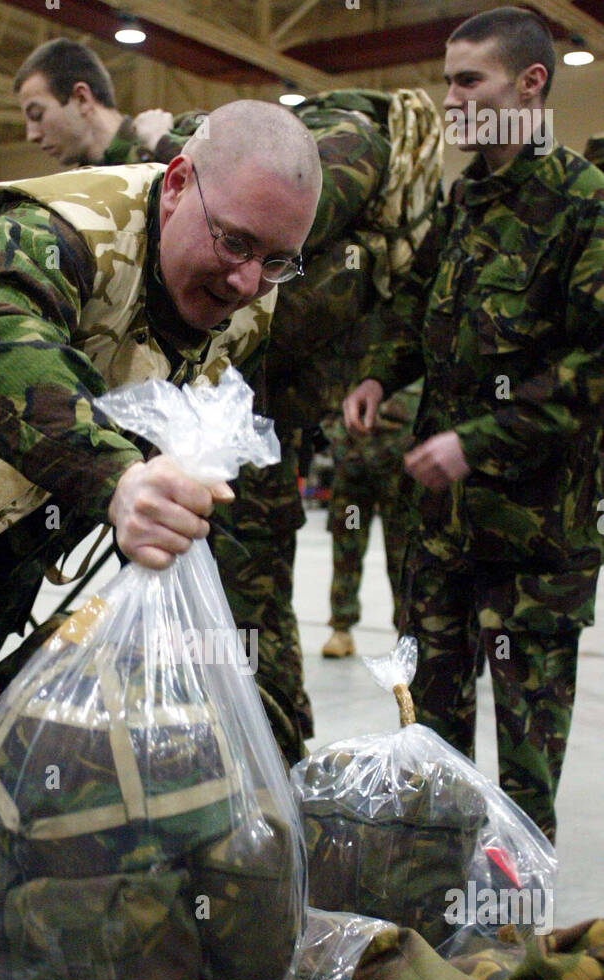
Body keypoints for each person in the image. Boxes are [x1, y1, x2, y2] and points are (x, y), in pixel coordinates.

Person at [0, 103, 321, 764]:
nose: (247, 282)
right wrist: (121, 481)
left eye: (277, 260)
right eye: (233, 242)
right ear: (175, 185)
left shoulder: (249, 300)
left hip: (22, 505)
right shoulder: (57, 229)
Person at [344, 7, 604, 842]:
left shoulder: (584, 206)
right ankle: (434, 946)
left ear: (529, 84)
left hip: (534, 554)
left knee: (522, 788)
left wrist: (473, 444)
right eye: (445, 79)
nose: (449, 98)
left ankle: (517, 957)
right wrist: (380, 372)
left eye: (468, 81)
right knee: (429, 757)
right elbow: (417, 303)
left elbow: (587, 373)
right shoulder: (464, 201)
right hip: (443, 547)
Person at [110, 91, 443, 741]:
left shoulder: (352, 146)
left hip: (252, 454)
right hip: (213, 434)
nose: (248, 275)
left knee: (252, 636)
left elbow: (269, 225)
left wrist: (153, 139)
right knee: (187, 633)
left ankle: (270, 766)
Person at [321, 382, 420, 658]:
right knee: (347, 548)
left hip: (398, 472)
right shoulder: (354, 357)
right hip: (354, 469)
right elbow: (328, 403)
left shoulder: (405, 360)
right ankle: (341, 628)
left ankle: (406, 632)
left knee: (401, 552)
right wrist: (338, 437)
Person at [15, 37, 173, 169]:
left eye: (37, 114)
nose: (31, 135)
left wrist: (164, 146)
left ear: (81, 99)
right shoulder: (73, 197)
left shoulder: (179, 137)